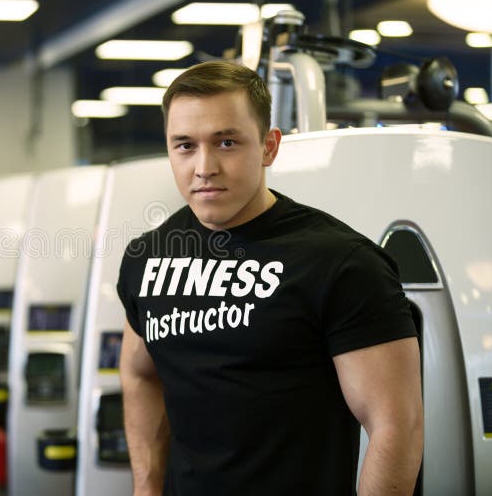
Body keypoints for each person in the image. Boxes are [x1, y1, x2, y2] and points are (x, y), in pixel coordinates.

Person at [117, 61, 423, 495]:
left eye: (226, 142)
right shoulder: (147, 257)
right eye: (185, 146)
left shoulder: (341, 263)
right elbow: (139, 374)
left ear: (269, 146)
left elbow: (397, 425)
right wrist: (146, 488)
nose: (204, 166)